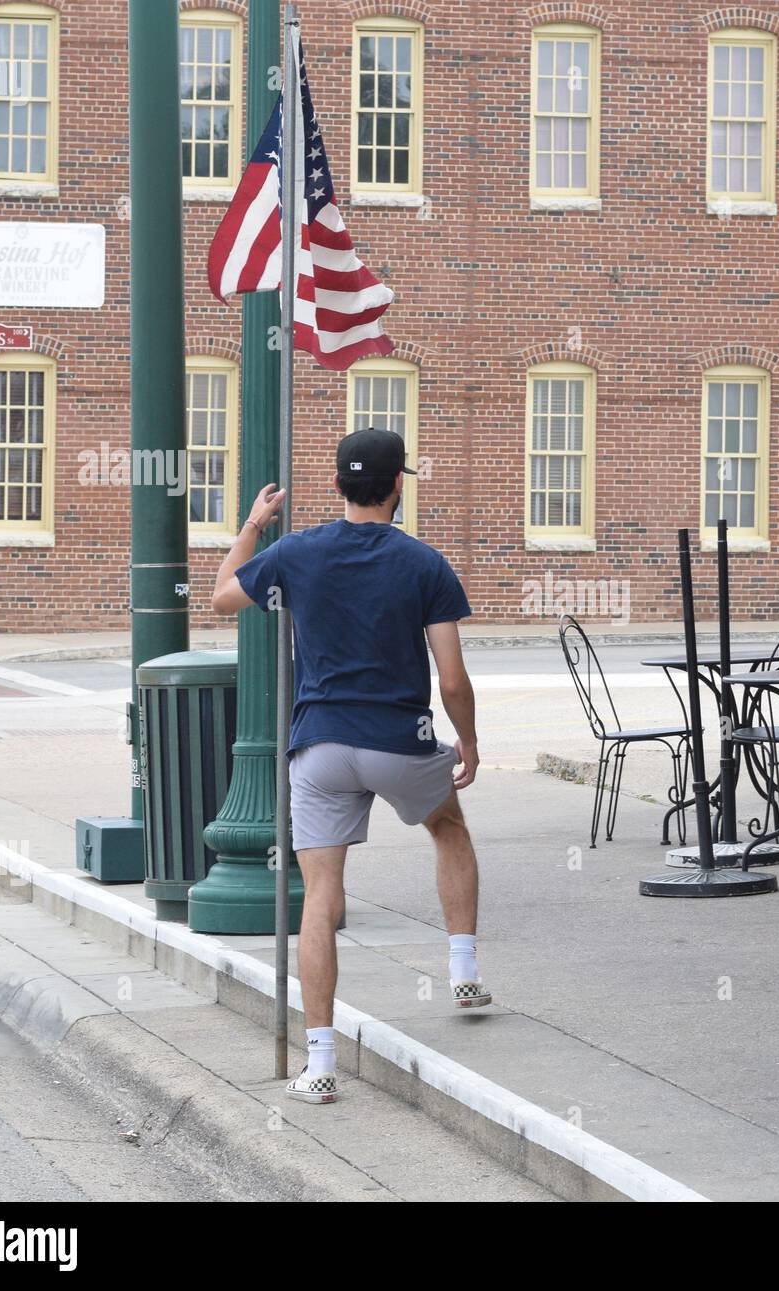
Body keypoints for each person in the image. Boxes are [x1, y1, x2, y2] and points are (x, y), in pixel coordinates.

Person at [211, 427, 488, 1106]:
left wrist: (252, 524)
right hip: (400, 740)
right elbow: (452, 677)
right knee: (448, 827)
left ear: (337, 485)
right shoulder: (426, 563)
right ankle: (462, 968)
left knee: (322, 898)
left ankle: (321, 1062)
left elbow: (221, 597)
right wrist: (468, 742)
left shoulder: (297, 552)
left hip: (322, 744)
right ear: (399, 485)